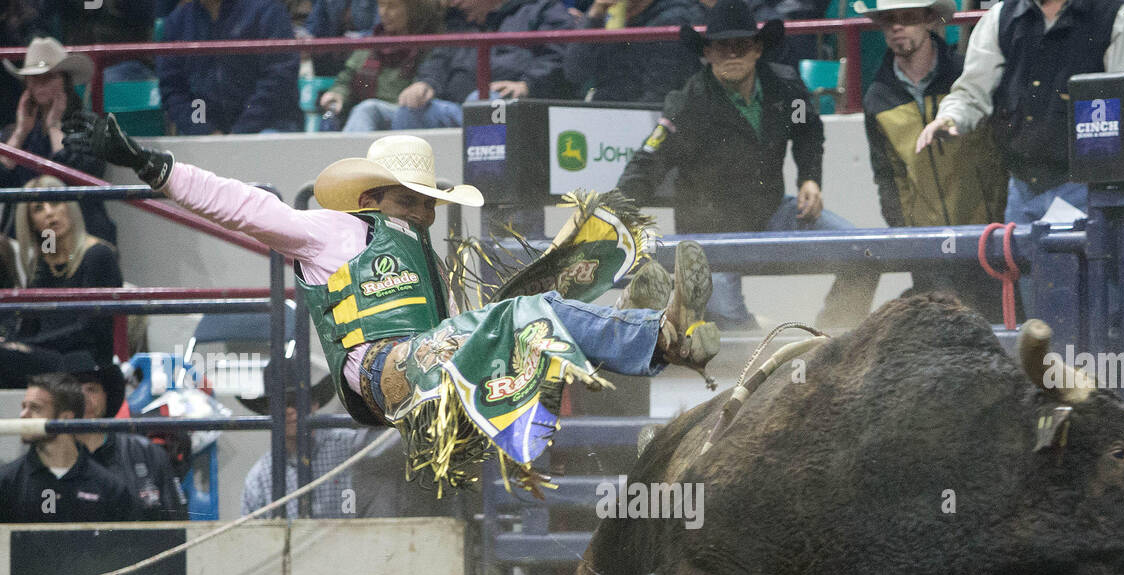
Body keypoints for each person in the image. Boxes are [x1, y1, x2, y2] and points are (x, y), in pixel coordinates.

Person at [65, 117, 722, 493]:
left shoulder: (426, 261)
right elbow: (241, 205)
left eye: (427, 200)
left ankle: (653, 325)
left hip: (432, 387)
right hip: (389, 373)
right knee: (521, 316)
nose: (425, 210)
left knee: (529, 309)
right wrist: (150, 163)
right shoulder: (331, 231)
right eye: (412, 198)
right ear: (375, 197)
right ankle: (657, 334)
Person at [617, 0, 860, 330]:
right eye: (722, 47)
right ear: (708, 53)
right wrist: (613, 215)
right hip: (710, 237)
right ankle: (768, 343)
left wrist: (810, 179)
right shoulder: (688, 103)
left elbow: (807, 129)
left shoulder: (788, 88)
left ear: (757, 49)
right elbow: (648, 163)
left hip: (773, 215)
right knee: (729, 325)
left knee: (864, 253)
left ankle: (831, 336)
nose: (732, 54)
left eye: (741, 45)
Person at [915, 0, 1124, 224]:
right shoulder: (1000, 17)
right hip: (1021, 185)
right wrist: (950, 118)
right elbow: (972, 90)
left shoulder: (1116, 17)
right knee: (1024, 262)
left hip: (1088, 187)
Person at [863, 0, 1006, 319]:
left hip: (985, 234)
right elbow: (887, 176)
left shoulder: (967, 79)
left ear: (929, 20)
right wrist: (908, 235)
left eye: (908, 18)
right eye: (890, 20)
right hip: (927, 246)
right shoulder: (877, 97)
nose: (898, 27)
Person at [0, 38, 117, 246]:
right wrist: (19, 133)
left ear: (64, 81)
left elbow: (80, 177)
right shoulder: (13, 133)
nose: (40, 84)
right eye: (33, 78)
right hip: (25, 236)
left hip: (81, 232)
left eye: (48, 77)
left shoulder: (91, 127)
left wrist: (54, 127)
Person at [397, 0, 573, 129]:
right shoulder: (461, 18)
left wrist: (528, 84)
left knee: (484, 103)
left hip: (517, 108)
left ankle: (486, 179)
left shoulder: (542, 8)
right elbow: (440, 58)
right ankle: (404, 180)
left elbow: (560, 55)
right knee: (410, 107)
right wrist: (426, 82)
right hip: (456, 107)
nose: (454, 3)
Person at [12, 175, 124, 369]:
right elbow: (30, 324)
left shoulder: (98, 255)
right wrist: (12, 345)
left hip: (86, 362)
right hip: (48, 359)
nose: (49, 213)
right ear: (31, 224)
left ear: (69, 206)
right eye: (38, 208)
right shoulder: (43, 262)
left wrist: (28, 348)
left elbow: (90, 331)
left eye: (55, 202)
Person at [67, 351, 190, 521]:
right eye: (74, 391)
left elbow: (178, 524)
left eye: (91, 389)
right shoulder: (48, 459)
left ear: (106, 397)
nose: (83, 398)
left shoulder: (148, 454)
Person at [0, 372, 135, 523]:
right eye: (24, 407)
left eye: (35, 408)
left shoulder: (109, 488)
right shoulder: (6, 483)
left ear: (66, 418)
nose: (23, 415)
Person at [157, 0, 304, 135]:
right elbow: (173, 89)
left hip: (269, 127)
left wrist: (240, 132)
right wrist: (204, 130)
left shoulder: (266, 9)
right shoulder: (178, 22)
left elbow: (279, 78)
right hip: (207, 136)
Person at [239, 372, 361, 518]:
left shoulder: (349, 447)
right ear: (268, 411)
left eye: (296, 400)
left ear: (314, 403)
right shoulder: (259, 478)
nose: (289, 410)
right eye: (279, 403)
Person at [317, 0, 443, 132]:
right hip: (366, 117)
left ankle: (354, 152)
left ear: (413, 10)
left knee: (367, 109)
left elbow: (430, 81)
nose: (384, 12)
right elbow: (346, 80)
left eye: (392, 6)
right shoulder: (371, 44)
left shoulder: (429, 45)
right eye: (381, 5)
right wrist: (337, 94)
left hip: (408, 114)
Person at [563, 0, 703, 104]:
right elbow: (574, 73)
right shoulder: (607, 13)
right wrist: (593, 17)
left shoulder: (673, 17)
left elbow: (659, 94)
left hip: (639, 119)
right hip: (605, 112)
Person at [29, 1, 157, 84]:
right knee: (44, 82)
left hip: (127, 64)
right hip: (75, 64)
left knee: (105, 81)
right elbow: (39, 20)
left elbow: (146, 12)